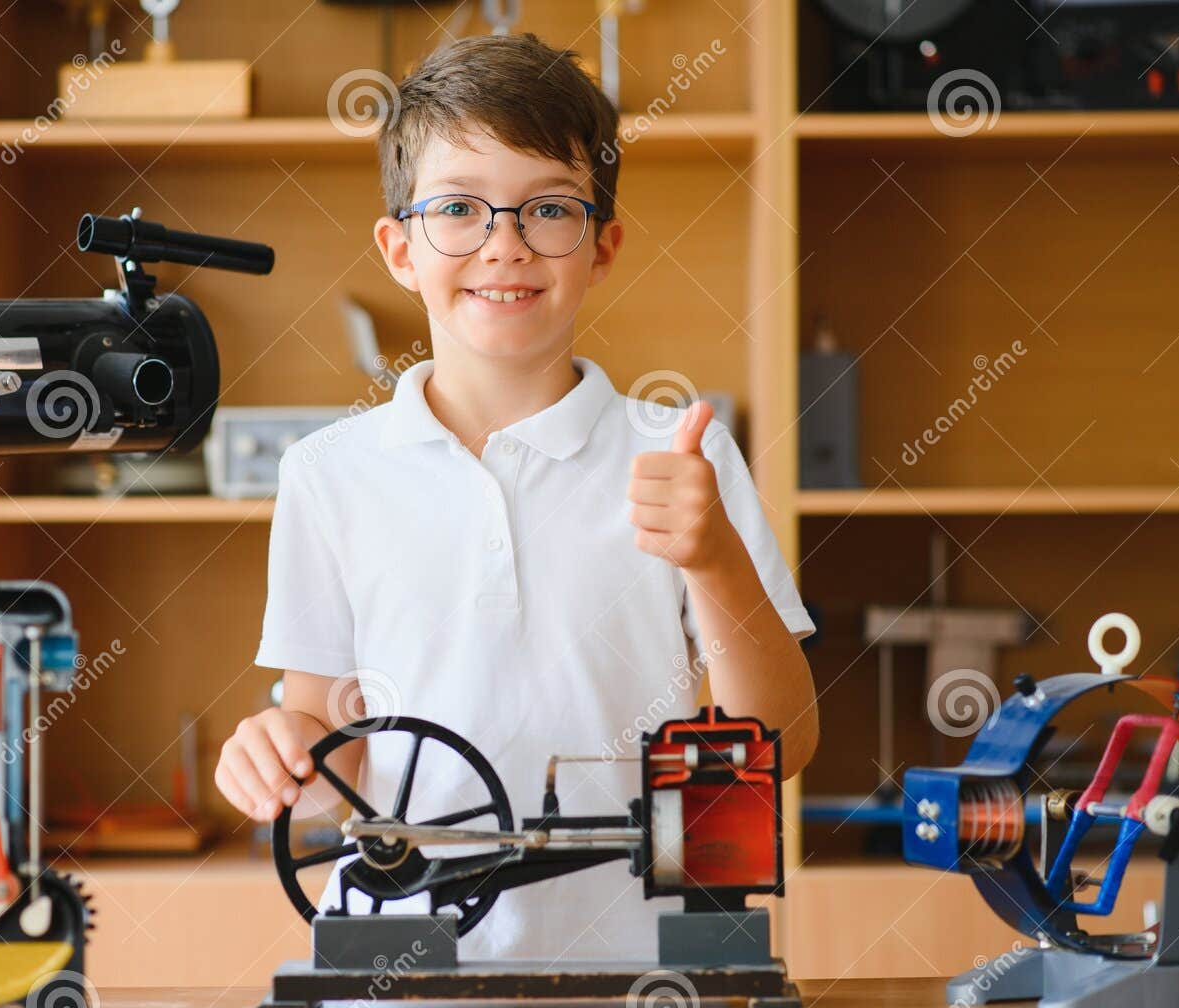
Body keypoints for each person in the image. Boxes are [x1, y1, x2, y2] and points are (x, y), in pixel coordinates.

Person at [215, 33, 818, 961]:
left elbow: (783, 745)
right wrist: (281, 754)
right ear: (400, 248)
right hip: (395, 983)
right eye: (459, 208)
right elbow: (336, 750)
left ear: (603, 245)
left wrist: (714, 558)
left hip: (641, 980)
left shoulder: (680, 458)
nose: (505, 244)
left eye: (548, 209)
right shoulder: (326, 473)